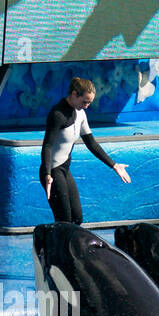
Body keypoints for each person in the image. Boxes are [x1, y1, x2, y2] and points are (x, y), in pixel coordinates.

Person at [40, 77, 131, 224]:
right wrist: (47, 174)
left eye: (89, 102)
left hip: (65, 169)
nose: (87, 105)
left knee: (77, 219)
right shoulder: (58, 114)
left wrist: (114, 165)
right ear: (74, 94)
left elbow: (90, 142)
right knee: (65, 221)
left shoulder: (81, 113)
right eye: (85, 101)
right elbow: (47, 146)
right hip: (52, 173)